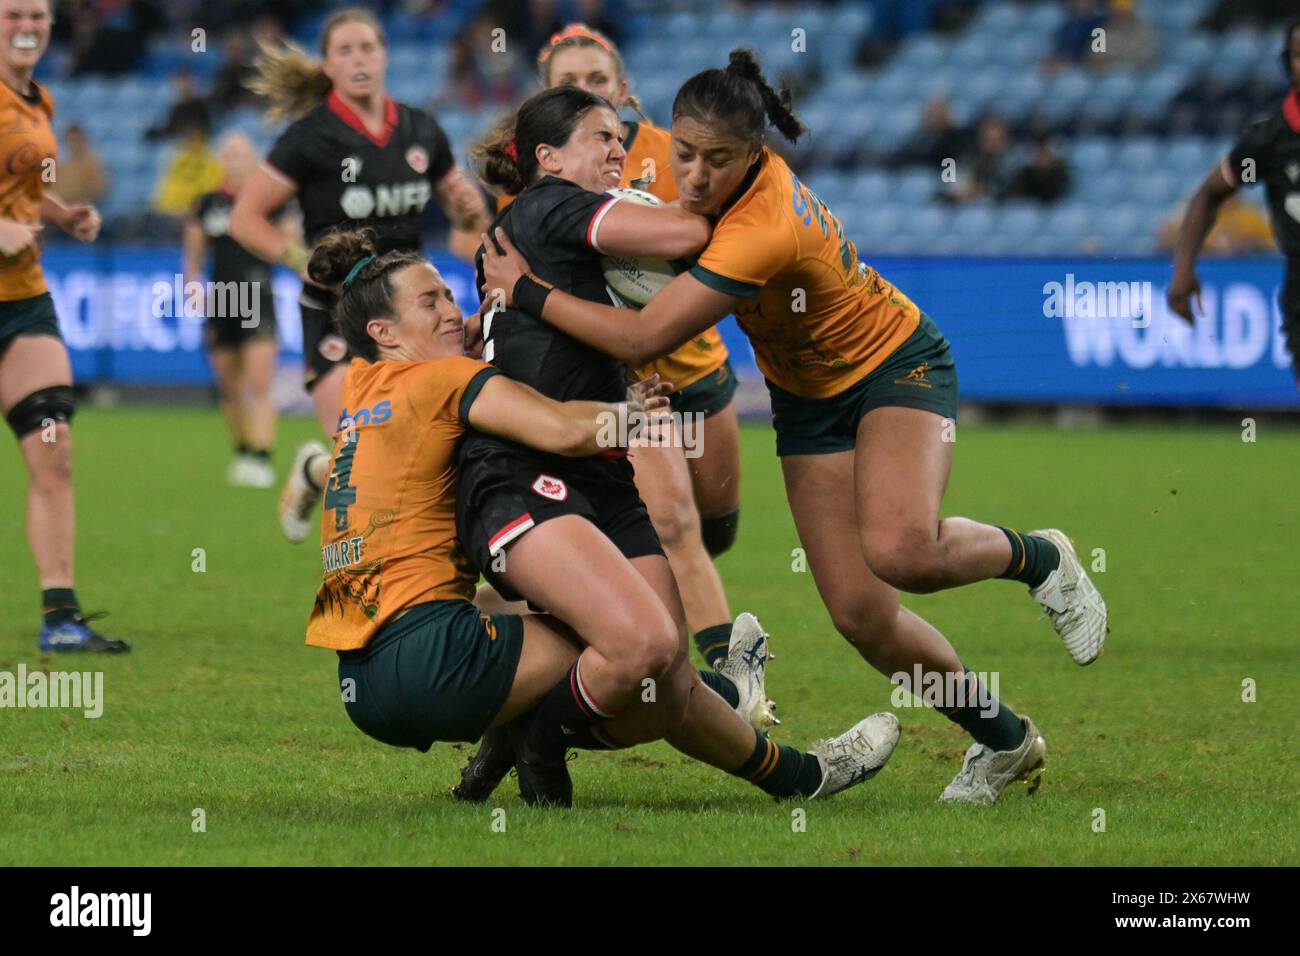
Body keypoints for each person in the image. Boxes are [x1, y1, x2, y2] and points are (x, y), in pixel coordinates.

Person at [480, 50, 1111, 805]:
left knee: (903, 549)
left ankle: (1041, 557)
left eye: (718, 160)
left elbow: (645, 337)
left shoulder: (759, 225)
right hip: (805, 398)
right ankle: (1004, 741)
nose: (698, 174)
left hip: (892, 363)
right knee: (859, 614)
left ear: (756, 153)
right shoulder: (688, 201)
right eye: (684, 153)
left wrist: (526, 291)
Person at [303, 226, 898, 807]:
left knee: (588, 625)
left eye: (449, 295)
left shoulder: (359, 386)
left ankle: (530, 735)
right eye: (429, 302)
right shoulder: (439, 376)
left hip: (364, 681)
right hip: (430, 660)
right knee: (648, 659)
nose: (451, 312)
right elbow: (561, 429)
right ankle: (792, 771)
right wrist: (628, 413)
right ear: (382, 330)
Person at [512, 24, 746, 679]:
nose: (585, 90)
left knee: (714, 527)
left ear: (623, 89)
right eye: (570, 83)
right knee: (669, 524)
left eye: (596, 80)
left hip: (698, 367)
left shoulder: (679, 153)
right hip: (626, 378)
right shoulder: (541, 179)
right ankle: (722, 678)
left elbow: (725, 234)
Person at [228, 6, 492, 538]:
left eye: (368, 47)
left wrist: (470, 212)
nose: (359, 59)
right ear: (327, 64)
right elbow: (245, 218)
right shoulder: (310, 137)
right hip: (337, 311)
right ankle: (322, 476)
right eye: (345, 50)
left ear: (385, 54)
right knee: (359, 455)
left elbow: (467, 226)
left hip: (412, 308)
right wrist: (301, 260)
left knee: (442, 442)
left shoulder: (421, 129)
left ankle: (319, 478)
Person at [0, 0, 127, 652]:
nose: (26, 24)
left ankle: (60, 619)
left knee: (53, 452)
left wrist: (60, 213)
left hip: (22, 301)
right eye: (12, 12)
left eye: (37, 14)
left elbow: (24, 184)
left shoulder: (38, 100)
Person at [1168, 19, 1300, 385]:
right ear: (1287, 64)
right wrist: (1183, 272)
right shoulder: (1268, 144)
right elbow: (1208, 196)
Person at [183, 132, 288, 487]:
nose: (234, 159)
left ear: (254, 158)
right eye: (228, 153)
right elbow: (194, 255)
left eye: (241, 152)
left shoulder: (270, 202)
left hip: (258, 295)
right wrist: (192, 284)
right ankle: (242, 449)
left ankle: (262, 455)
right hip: (224, 297)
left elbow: (289, 243)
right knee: (229, 385)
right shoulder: (208, 203)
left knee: (259, 382)